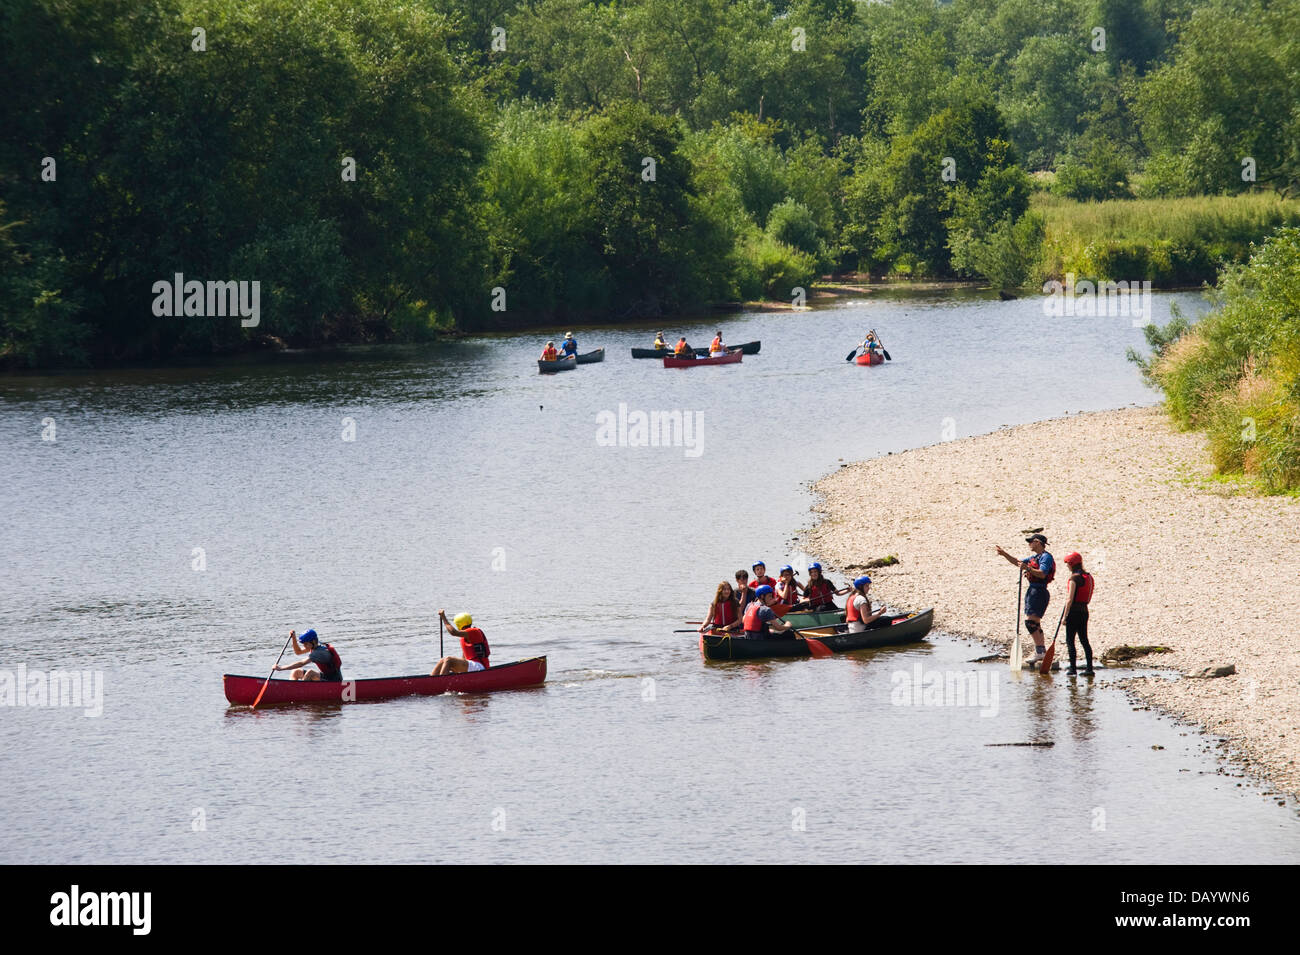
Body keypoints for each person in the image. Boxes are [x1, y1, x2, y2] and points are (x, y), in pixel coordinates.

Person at [995, 534, 1056, 666]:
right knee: (1034, 623)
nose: (1029, 544)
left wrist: (1028, 568)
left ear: (1038, 542)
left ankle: (1040, 651)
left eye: (1030, 542)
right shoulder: (1035, 557)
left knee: (1031, 622)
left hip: (1039, 591)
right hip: (1033, 590)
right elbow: (1018, 562)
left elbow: (1042, 573)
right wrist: (1004, 554)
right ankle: (1041, 651)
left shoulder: (1046, 557)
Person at [1060, 552, 1095, 676]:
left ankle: (1072, 669)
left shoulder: (1073, 578)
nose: (1067, 567)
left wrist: (1065, 616)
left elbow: (1069, 599)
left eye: (1068, 564)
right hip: (1084, 611)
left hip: (1073, 612)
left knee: (1070, 640)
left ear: (1072, 564)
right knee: (1084, 639)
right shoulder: (1088, 577)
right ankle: (1090, 669)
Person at [433, 610, 491, 675]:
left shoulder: (474, 631)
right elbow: (464, 659)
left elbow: (453, 632)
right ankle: (431, 681)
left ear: (458, 624)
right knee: (442, 661)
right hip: (472, 666)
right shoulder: (465, 637)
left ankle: (441, 682)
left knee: (448, 660)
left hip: (480, 667)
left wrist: (443, 617)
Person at [274, 629, 342, 682]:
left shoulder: (319, 652)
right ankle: (292, 689)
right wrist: (294, 638)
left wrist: (281, 668)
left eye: (306, 644)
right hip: (325, 676)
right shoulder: (315, 646)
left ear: (314, 641)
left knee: (310, 672)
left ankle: (299, 692)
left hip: (334, 680)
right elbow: (298, 652)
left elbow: (301, 663)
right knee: (295, 672)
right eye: (303, 644)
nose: (304, 646)